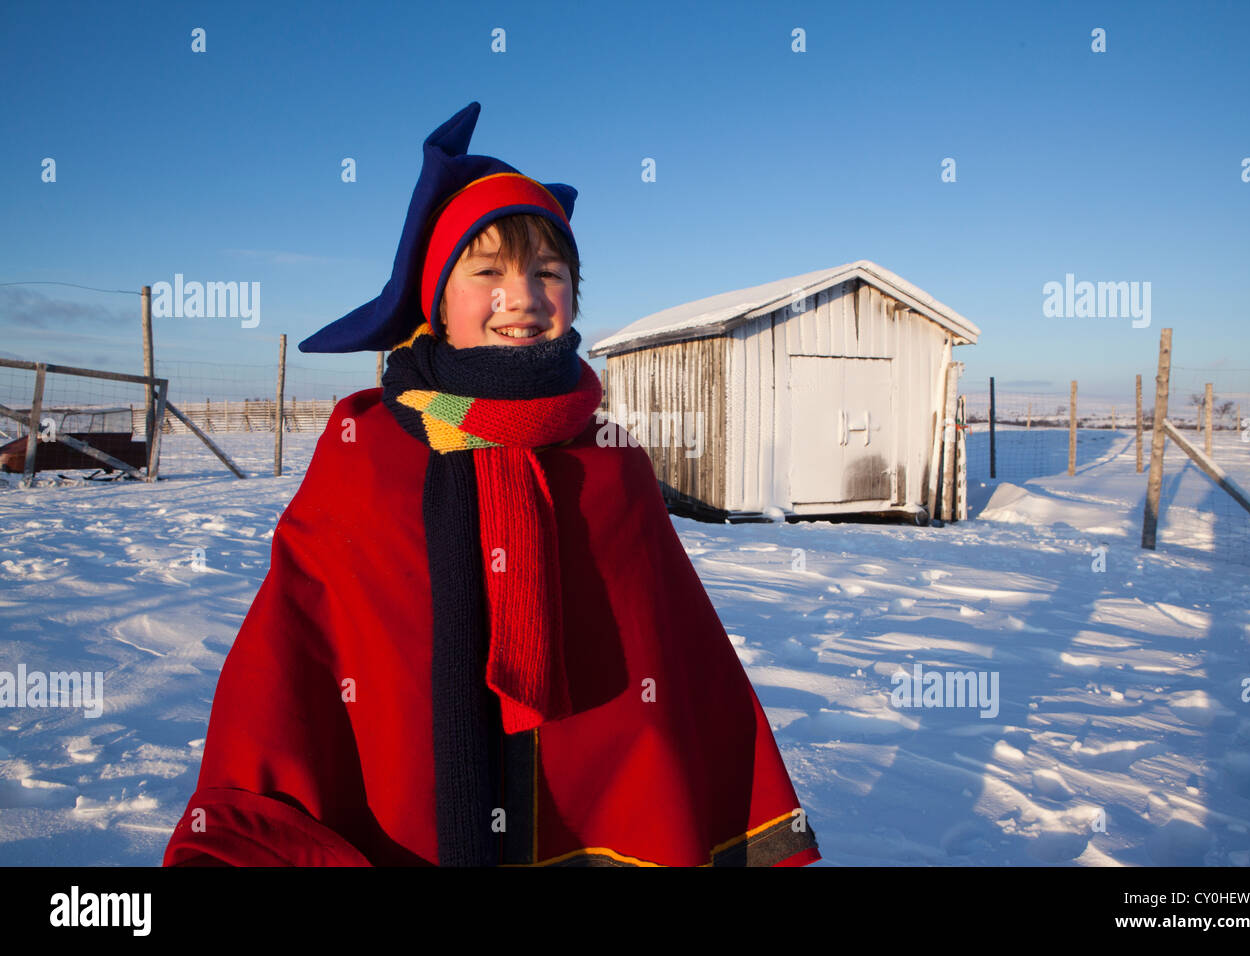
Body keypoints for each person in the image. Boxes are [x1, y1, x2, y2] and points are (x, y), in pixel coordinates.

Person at [162, 101, 820, 867]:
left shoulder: (610, 461)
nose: (523, 297)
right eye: (488, 272)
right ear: (437, 300)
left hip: (591, 817)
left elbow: (675, 658)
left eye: (549, 273)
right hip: (405, 815)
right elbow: (294, 644)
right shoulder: (366, 450)